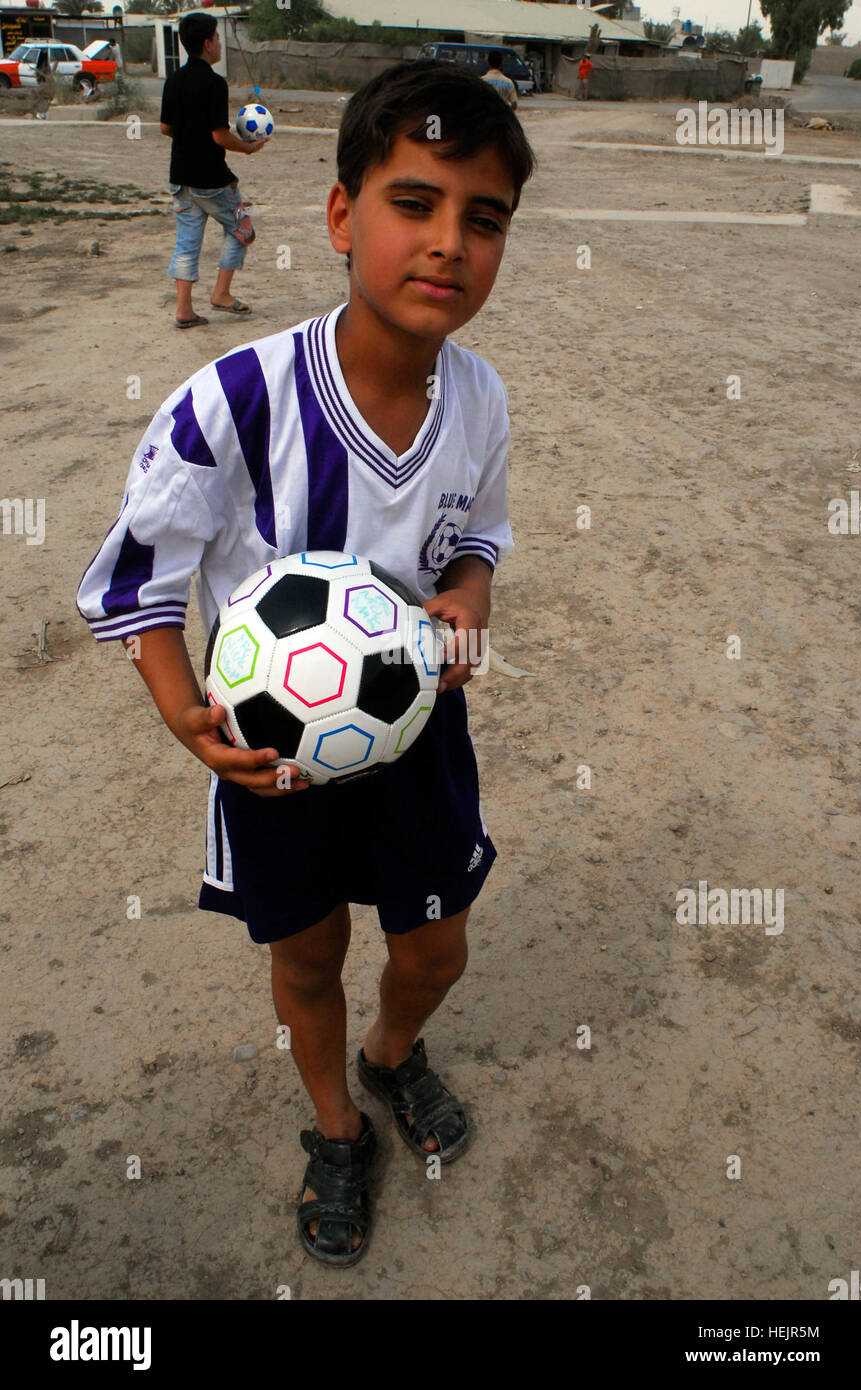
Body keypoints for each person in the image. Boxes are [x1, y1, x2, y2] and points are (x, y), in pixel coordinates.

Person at [77, 58, 535, 1267]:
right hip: (275, 759)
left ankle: (393, 1056)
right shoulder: (231, 403)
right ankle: (335, 1121)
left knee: (435, 947)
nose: (447, 243)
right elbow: (137, 582)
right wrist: (188, 716)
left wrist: (472, 600)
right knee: (311, 952)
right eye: (415, 201)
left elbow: (478, 535)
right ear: (342, 214)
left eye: (481, 220)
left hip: (419, 732)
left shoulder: (479, 400)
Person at [159, 12, 268, 329]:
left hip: (180, 178)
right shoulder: (214, 84)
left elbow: (166, 127)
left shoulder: (173, 81)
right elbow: (219, 135)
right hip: (212, 180)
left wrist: (188, 133)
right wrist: (248, 147)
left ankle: (184, 311)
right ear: (208, 44)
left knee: (186, 244)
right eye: (218, 38)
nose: (220, 43)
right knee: (242, 229)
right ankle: (221, 293)